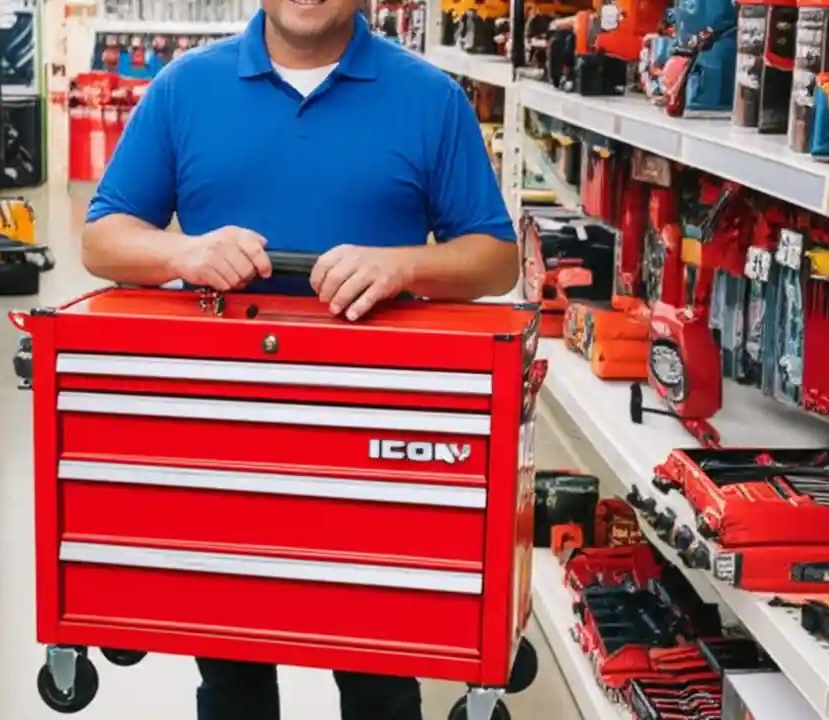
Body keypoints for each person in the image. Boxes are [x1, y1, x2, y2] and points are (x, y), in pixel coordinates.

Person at [80, 0, 518, 715]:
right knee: (228, 660)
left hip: (375, 431)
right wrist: (181, 251)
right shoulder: (184, 89)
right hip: (223, 426)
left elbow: (495, 259)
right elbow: (103, 238)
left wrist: (405, 266)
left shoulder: (429, 97)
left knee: (379, 664)